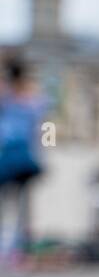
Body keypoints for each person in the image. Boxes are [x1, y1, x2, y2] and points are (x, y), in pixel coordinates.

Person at [0, 56, 49, 261]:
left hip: (10, 155)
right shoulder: (32, 99)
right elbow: (44, 127)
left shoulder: (9, 98)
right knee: (21, 205)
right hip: (23, 156)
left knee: (11, 204)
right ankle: (16, 247)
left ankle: (13, 247)